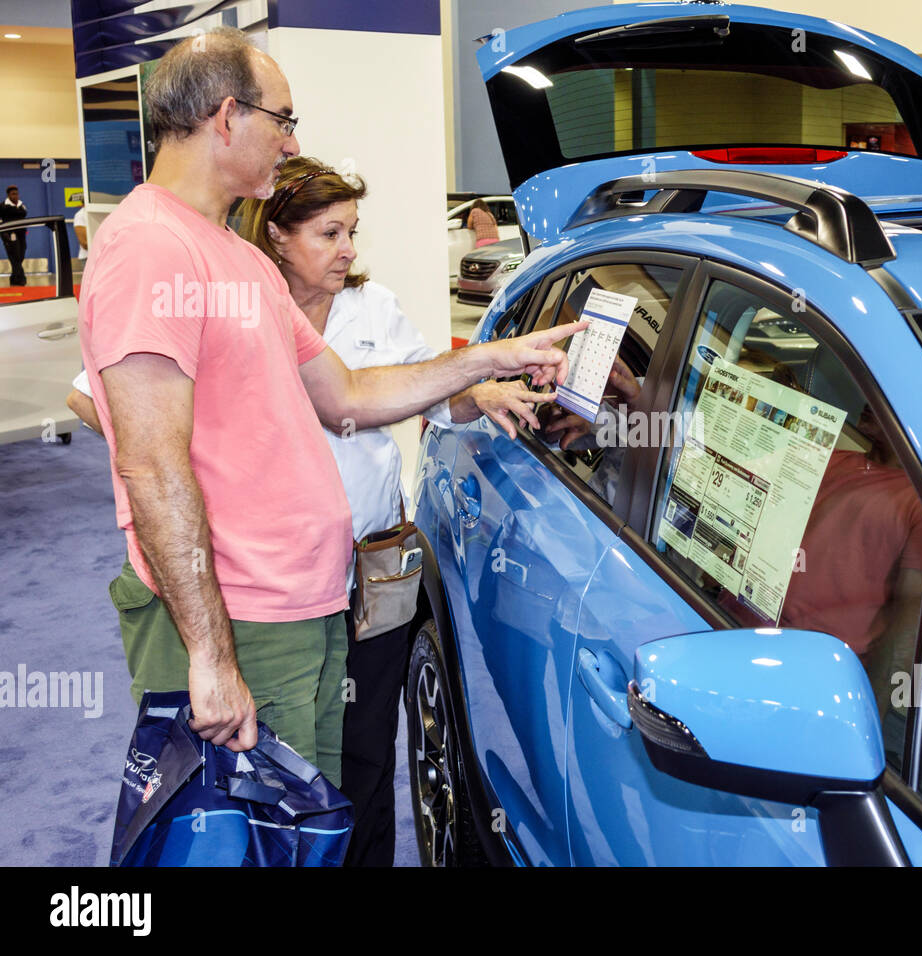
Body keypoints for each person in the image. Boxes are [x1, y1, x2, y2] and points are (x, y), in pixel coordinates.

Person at [77, 27, 580, 790]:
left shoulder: (239, 260)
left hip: (306, 603)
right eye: (282, 120)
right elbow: (149, 466)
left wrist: (489, 358)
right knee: (255, 830)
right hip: (241, 616)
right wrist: (210, 656)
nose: (289, 144)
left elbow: (347, 394)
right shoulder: (151, 249)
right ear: (225, 116)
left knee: (306, 824)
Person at [231, 155, 541, 864]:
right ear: (276, 234)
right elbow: (93, 395)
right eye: (330, 233)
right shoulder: (235, 307)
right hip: (274, 582)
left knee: (367, 748)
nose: (348, 250)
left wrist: (482, 392)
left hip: (372, 570)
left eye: (352, 233)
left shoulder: (373, 310)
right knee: (281, 755)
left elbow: (433, 391)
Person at [1, 185, 27, 286]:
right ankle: (21, 279)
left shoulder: (21, 205)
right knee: (15, 256)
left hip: (21, 235)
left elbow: (23, 214)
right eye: (13, 194)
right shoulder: (3, 206)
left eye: (16, 193)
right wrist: (3, 234)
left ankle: (14, 278)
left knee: (20, 255)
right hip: (9, 235)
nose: (15, 196)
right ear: (8, 195)